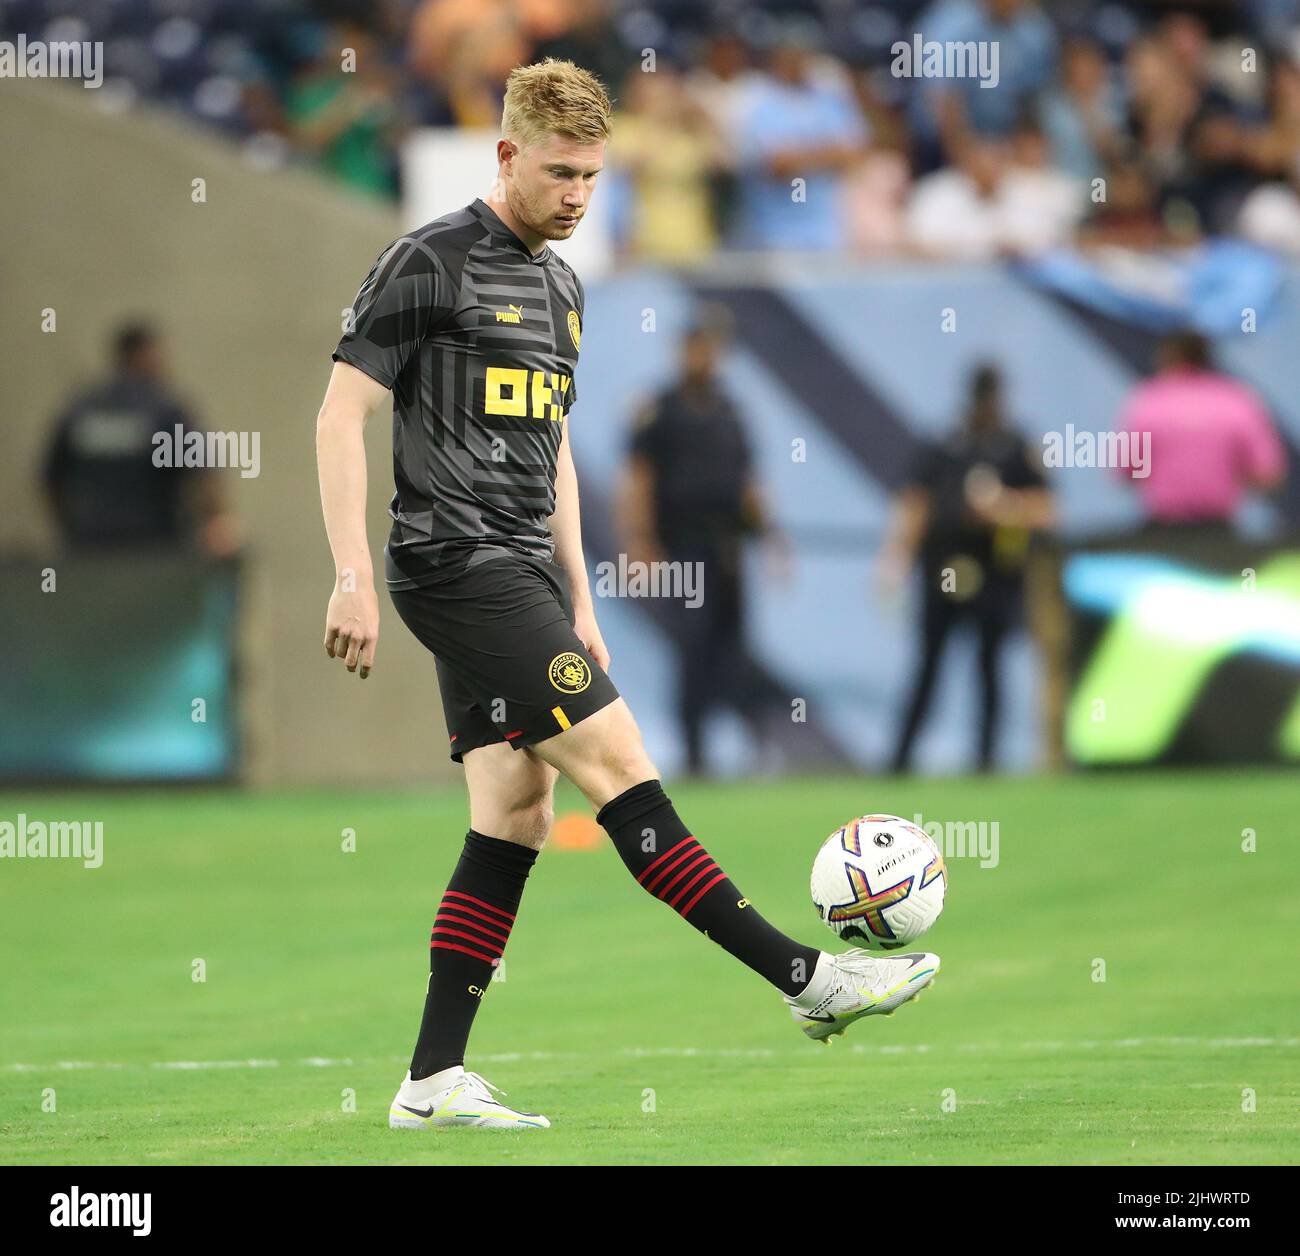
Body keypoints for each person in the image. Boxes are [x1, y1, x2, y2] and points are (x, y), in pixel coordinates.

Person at [315, 58, 939, 1132]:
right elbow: (338, 416)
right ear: (504, 154)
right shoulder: (425, 261)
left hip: (519, 574)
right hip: (452, 563)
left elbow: (549, 444)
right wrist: (350, 574)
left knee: (515, 809)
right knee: (621, 765)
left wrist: (582, 596)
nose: (575, 196)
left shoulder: (562, 285)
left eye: (593, 178)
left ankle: (430, 1079)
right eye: (558, 172)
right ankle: (808, 979)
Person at [617, 309, 784, 776]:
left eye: (712, 348)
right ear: (683, 351)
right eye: (698, 346)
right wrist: (640, 542)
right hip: (683, 547)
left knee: (733, 646)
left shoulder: (730, 409)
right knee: (691, 646)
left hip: (729, 546)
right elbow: (638, 479)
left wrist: (771, 538)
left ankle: (753, 745)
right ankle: (693, 753)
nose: (705, 357)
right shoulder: (661, 410)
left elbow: (749, 480)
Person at [881, 364, 1053, 773]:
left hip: (994, 571)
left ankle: (986, 762)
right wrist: (896, 557)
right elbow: (916, 503)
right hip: (943, 567)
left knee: (990, 666)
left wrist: (1003, 507)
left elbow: (1046, 509)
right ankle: (900, 761)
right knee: (928, 666)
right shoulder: (945, 444)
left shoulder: (1014, 446)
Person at [42, 322, 238, 555]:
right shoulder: (164, 410)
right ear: (142, 354)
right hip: (156, 547)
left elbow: (51, 481)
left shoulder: (81, 410)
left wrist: (69, 527)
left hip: (89, 549)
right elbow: (205, 473)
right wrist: (217, 521)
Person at [1114, 331, 1285, 536]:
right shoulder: (1237, 401)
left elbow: (1126, 470)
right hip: (1220, 533)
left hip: (1163, 533)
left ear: (1169, 356)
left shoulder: (1149, 401)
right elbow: (1267, 475)